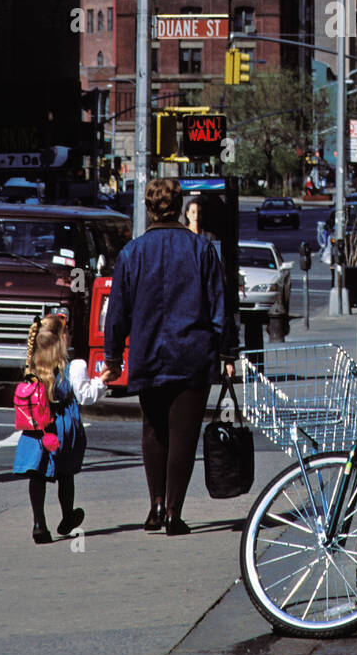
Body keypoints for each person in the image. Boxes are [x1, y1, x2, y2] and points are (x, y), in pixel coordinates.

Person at [104, 177, 226, 536]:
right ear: (179, 205)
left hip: (148, 353)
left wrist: (113, 359)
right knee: (183, 436)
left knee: (154, 431)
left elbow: (118, 313)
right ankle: (174, 512)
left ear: (148, 208)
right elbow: (219, 305)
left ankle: (155, 506)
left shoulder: (131, 253)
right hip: (192, 354)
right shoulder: (202, 250)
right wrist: (228, 352)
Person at [13, 312, 109, 544]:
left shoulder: (31, 366)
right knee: (66, 475)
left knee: (37, 474)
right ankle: (67, 515)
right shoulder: (74, 366)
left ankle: (39, 523)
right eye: (66, 332)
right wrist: (103, 379)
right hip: (63, 430)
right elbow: (85, 396)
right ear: (61, 338)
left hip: (37, 429)